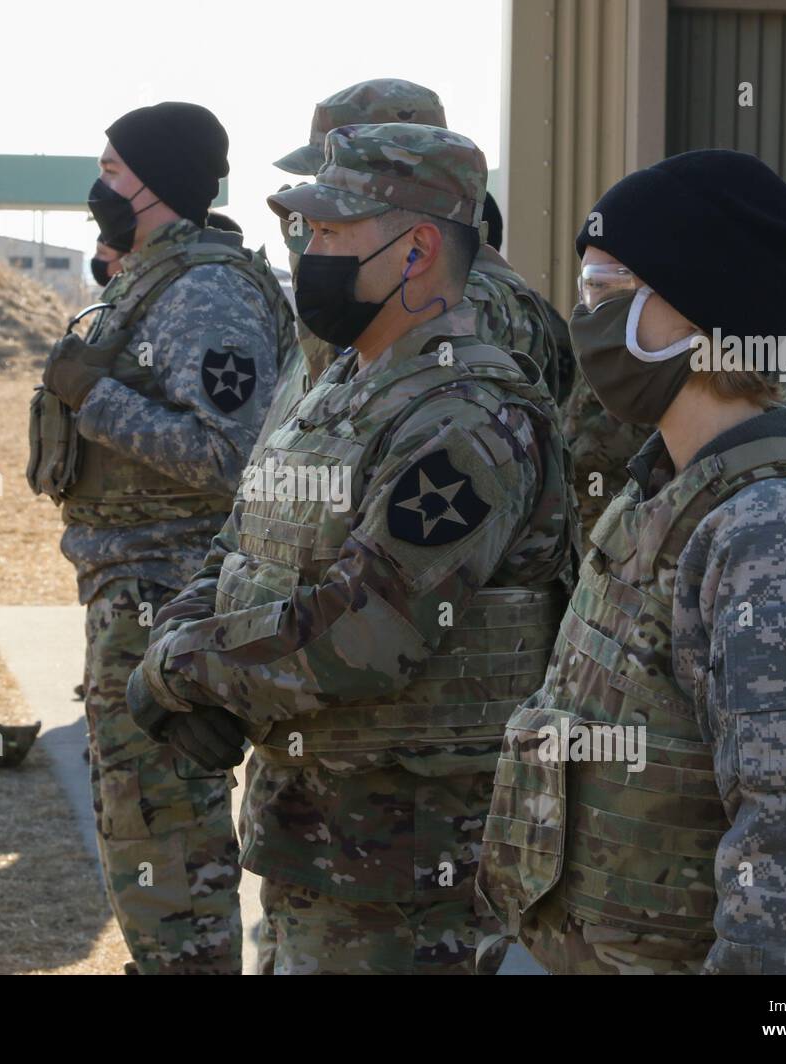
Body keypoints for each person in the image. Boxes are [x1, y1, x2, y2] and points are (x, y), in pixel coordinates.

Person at [475, 148, 786, 975]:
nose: (586, 314)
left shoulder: (775, 538)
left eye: (608, 287)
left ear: (697, 314)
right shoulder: (662, 492)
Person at [127, 123, 575, 974]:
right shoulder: (339, 381)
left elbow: (368, 632)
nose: (309, 250)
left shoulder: (468, 418)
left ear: (417, 250)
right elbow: (240, 539)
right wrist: (185, 636)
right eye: (308, 230)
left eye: (334, 233)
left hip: (406, 870)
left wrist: (184, 667)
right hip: (313, 841)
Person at [28, 101, 296, 974]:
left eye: (112, 171)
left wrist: (92, 401)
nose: (97, 187)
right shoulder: (152, 278)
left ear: (158, 184)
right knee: (148, 829)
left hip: (170, 598)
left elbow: (233, 454)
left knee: (165, 838)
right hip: (134, 591)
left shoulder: (205, 292)